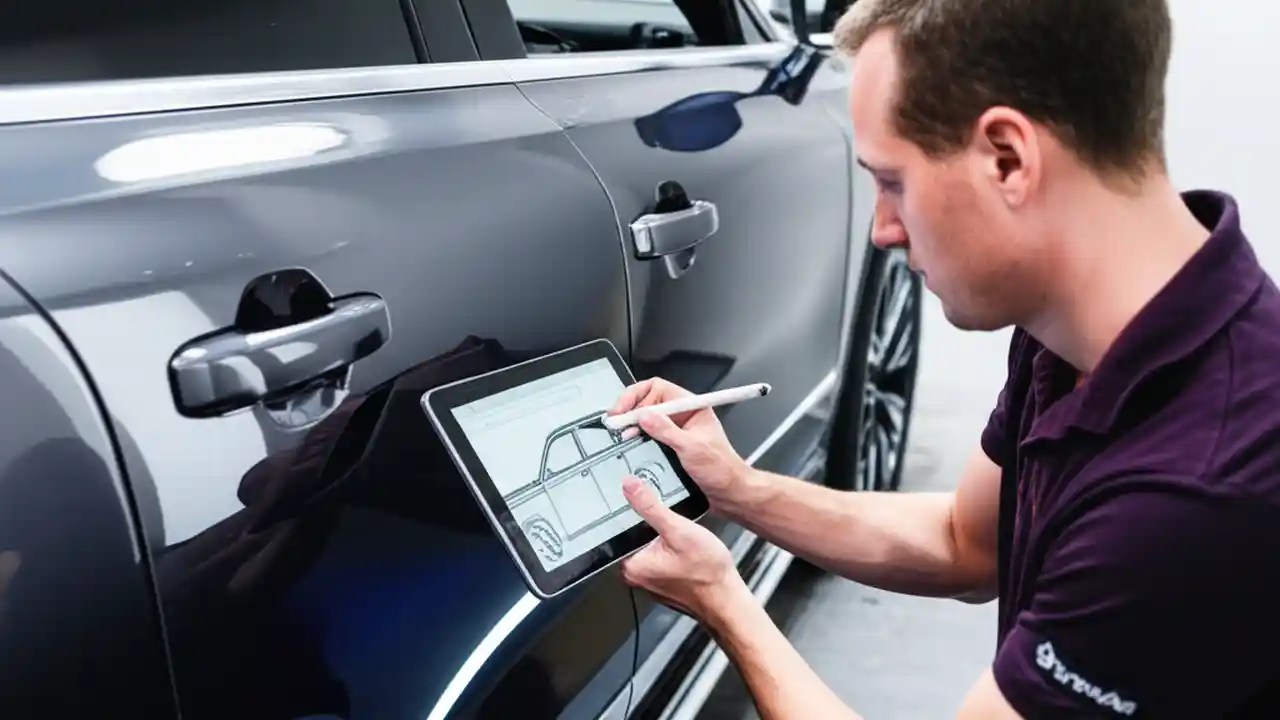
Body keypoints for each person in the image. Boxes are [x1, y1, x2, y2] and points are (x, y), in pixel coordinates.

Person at [607, 0, 1280, 717]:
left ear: (1008, 160)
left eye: (893, 181)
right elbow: (965, 542)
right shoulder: (1085, 322)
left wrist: (722, 601)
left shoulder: (1197, 499)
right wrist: (738, 488)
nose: (881, 231)